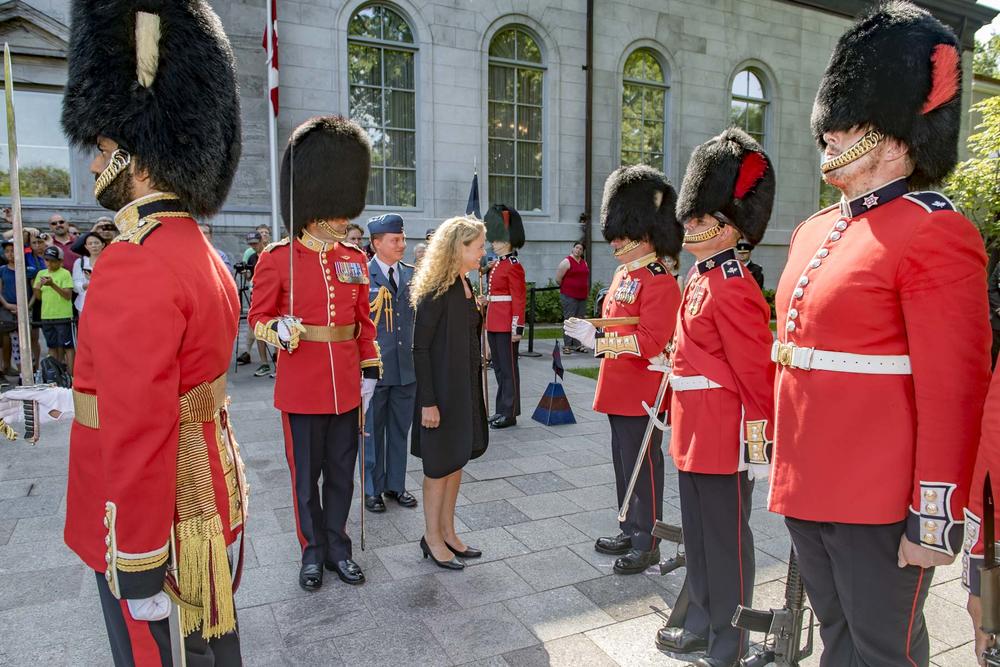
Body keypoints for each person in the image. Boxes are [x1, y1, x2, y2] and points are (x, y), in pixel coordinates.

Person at [0, 2, 249, 663]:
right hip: (200, 496)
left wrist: (137, 564)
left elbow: (140, 422)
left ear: (135, 157)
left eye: (104, 151)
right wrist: (63, 402)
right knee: (211, 648)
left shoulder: (134, 260)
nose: (93, 167)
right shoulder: (201, 251)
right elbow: (156, 386)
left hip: (151, 520)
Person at [767, 5, 991, 665]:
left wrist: (932, 517)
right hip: (810, 485)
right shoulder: (815, 230)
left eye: (851, 126)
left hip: (880, 497)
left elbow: (952, 389)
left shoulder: (936, 229)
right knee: (839, 644)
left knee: (882, 652)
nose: (830, 136)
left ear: (896, 137)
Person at [654, 128, 776, 667]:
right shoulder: (702, 279)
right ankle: (703, 621)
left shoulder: (733, 283)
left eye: (702, 219)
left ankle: (732, 639)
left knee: (726, 544)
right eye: (692, 217)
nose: (691, 225)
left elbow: (756, 373)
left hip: (724, 432)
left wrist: (764, 442)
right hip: (693, 429)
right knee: (700, 541)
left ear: (731, 226)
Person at [249, 116, 381, 592]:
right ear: (315, 207)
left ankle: (338, 547)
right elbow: (257, 318)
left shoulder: (353, 260)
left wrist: (369, 370)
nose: (347, 220)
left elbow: (363, 322)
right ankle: (311, 550)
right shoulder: (277, 258)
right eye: (339, 212)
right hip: (301, 385)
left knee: (342, 475)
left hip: (345, 384)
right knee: (307, 480)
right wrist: (279, 331)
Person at [564, 164, 683, 576]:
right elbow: (617, 321)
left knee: (642, 466)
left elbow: (649, 339)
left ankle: (647, 540)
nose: (614, 241)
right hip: (619, 386)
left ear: (644, 234)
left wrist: (597, 341)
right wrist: (593, 331)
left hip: (643, 391)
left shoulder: (659, 280)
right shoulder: (623, 274)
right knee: (623, 462)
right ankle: (628, 525)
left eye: (622, 234)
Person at [410, 215, 489, 570]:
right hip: (440, 394)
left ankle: (447, 531)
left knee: (456, 462)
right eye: (479, 247)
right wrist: (428, 401)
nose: (483, 253)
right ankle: (431, 537)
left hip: (464, 389)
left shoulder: (465, 284)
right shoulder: (436, 290)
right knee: (438, 468)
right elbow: (420, 349)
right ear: (459, 248)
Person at [362, 214, 418, 513]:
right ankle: (372, 489)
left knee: (399, 431)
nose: (402, 244)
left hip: (406, 369)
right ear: (376, 243)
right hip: (375, 369)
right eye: (395, 240)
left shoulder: (412, 274)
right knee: (372, 431)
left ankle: (396, 485)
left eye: (403, 238)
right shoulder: (361, 275)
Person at [483, 204, 526, 429]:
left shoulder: (513, 265)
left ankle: (509, 413)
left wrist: (517, 328)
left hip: (506, 324)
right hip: (494, 323)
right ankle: (501, 408)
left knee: (509, 370)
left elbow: (518, 299)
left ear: (508, 240)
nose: (493, 243)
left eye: (497, 240)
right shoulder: (497, 264)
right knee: (499, 369)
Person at [33, 245, 75, 370]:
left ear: (61, 261)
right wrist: (37, 287)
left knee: (68, 346)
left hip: (64, 316)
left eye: (53, 260)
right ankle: (54, 376)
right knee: (52, 346)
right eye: (47, 260)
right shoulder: (41, 273)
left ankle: (72, 376)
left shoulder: (65, 273)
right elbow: (39, 297)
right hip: (47, 315)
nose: (49, 263)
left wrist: (52, 285)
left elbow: (67, 296)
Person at [237, 231, 272, 377]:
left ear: (261, 241)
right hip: (256, 294)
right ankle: (264, 363)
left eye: (255, 244)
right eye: (250, 244)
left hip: (271, 293)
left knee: (276, 327)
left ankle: (278, 359)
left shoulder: (271, 253)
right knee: (258, 328)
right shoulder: (251, 256)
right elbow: (250, 276)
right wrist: (244, 272)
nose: (253, 246)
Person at [555, 241, 590, 354]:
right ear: (573, 248)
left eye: (580, 249)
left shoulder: (584, 263)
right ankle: (567, 345)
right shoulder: (566, 262)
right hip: (569, 295)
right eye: (577, 248)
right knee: (569, 320)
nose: (578, 250)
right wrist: (568, 287)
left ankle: (578, 344)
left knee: (579, 321)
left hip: (582, 296)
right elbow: (558, 279)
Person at [71, 232, 108, 313]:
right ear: (86, 246)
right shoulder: (80, 262)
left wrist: (95, 279)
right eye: (90, 243)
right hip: (83, 304)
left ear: (103, 245)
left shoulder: (109, 261)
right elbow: (75, 285)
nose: (93, 246)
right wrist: (86, 285)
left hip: (106, 303)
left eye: (96, 243)